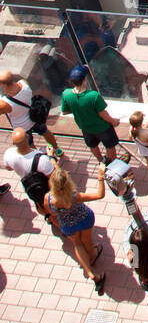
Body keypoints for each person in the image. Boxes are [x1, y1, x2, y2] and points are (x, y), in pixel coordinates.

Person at [43, 164, 106, 294]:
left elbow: (51, 213)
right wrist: (100, 176)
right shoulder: (74, 196)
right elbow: (100, 195)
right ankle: (93, 255)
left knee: (77, 244)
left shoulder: (48, 199)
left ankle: (90, 272)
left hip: (68, 225)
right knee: (88, 241)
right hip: (84, 219)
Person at [60, 65, 121, 165]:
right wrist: (113, 121)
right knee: (110, 146)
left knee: (93, 145)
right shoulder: (93, 96)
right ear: (84, 80)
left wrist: (79, 109)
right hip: (102, 128)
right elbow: (103, 113)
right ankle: (112, 165)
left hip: (85, 127)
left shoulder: (66, 94)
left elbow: (65, 111)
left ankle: (102, 161)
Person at [0, 69, 62, 159]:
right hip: (35, 116)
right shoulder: (24, 83)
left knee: (30, 145)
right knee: (45, 132)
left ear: (3, 85)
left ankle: (42, 159)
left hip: (22, 126)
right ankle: (57, 150)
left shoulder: (4, 103)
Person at [3, 128, 55, 219]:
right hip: (44, 185)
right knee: (50, 203)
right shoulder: (41, 158)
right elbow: (53, 176)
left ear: (13, 143)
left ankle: (47, 216)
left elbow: (8, 168)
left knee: (38, 202)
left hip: (29, 185)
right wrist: (51, 157)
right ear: (27, 137)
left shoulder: (9, 154)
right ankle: (54, 218)